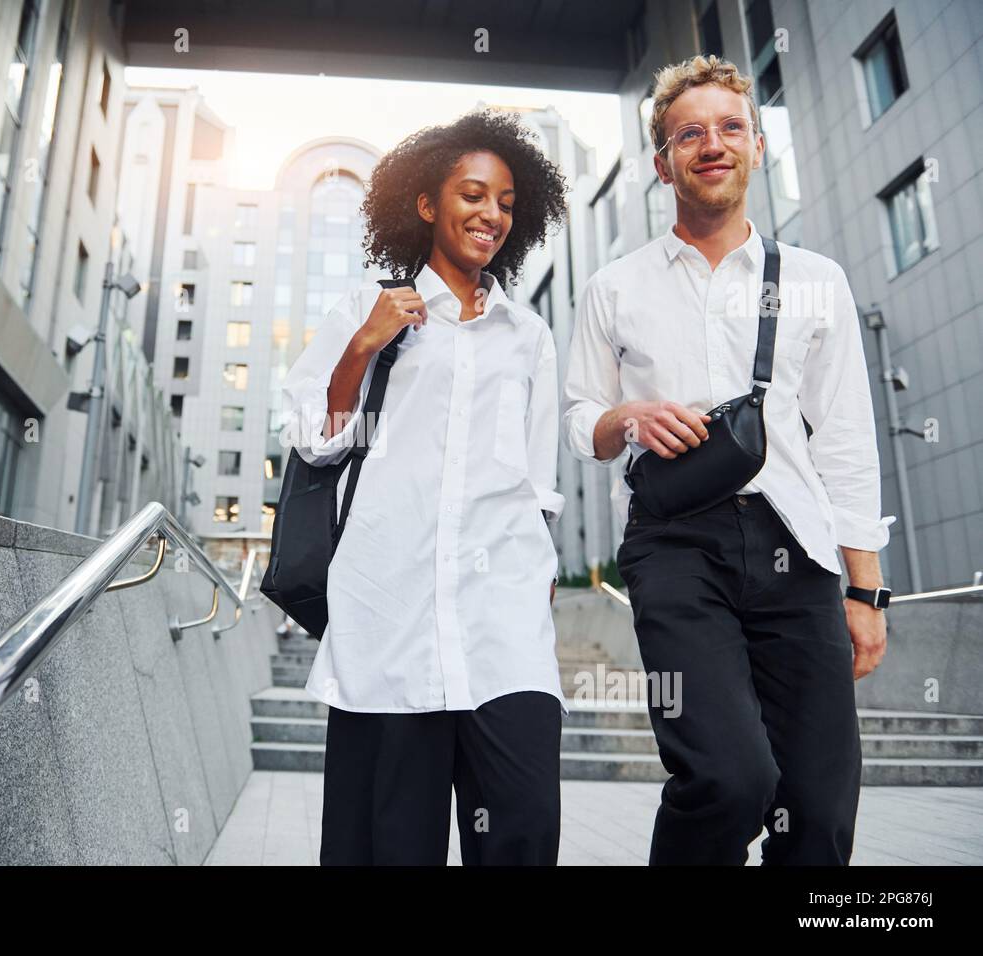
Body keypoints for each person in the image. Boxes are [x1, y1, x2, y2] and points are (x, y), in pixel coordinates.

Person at [561, 55, 892, 865]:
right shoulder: (614, 287)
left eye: (731, 127)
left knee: (818, 811)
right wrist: (624, 419)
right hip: (675, 548)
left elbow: (844, 434)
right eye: (690, 133)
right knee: (730, 778)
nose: (713, 144)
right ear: (662, 163)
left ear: (757, 148)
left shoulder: (815, 281)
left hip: (798, 548)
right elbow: (576, 419)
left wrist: (866, 587)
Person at [280, 109, 569, 865]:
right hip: (389, 616)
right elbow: (315, 436)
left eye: (506, 202)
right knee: (387, 845)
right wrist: (364, 345)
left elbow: (539, 484)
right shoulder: (366, 311)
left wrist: (535, 588)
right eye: (473, 195)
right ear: (426, 204)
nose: (491, 215)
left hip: (501, 621)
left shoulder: (529, 337)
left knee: (525, 824)